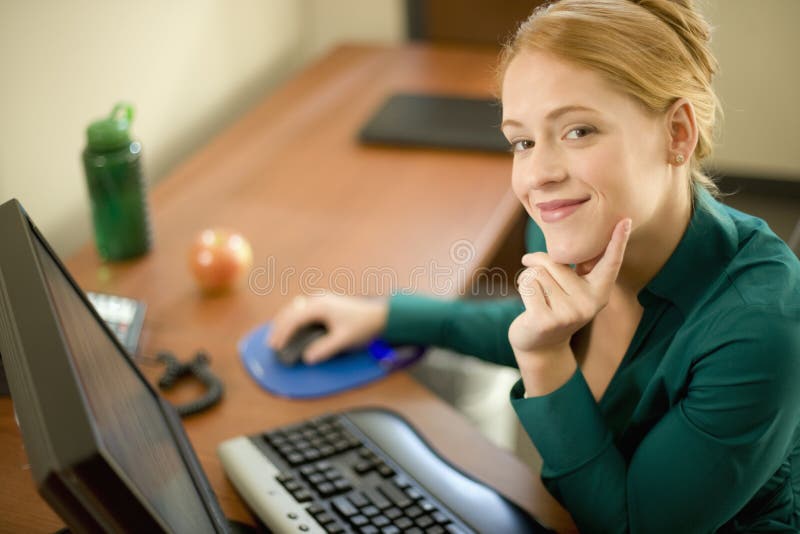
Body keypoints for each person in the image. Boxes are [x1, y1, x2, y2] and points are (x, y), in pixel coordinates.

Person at [268, 0, 800, 531]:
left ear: (676, 134)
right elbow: (541, 323)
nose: (538, 174)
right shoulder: (565, 225)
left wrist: (544, 360)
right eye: (522, 141)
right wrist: (387, 317)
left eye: (578, 131)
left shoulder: (759, 327)